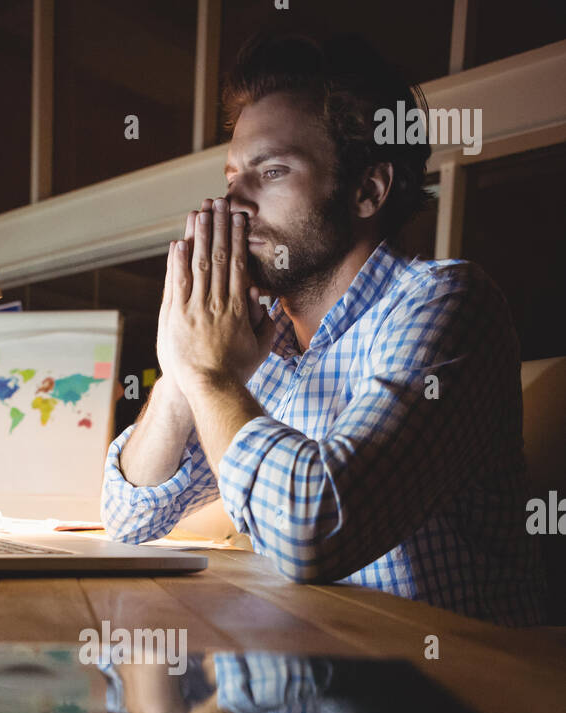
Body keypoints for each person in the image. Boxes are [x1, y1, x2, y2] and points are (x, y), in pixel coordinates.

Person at [101, 33, 546, 626]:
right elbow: (129, 518)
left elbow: (314, 529)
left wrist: (208, 374)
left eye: (273, 170)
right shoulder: (266, 343)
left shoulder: (445, 305)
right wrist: (185, 364)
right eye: (233, 176)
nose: (232, 200)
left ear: (367, 189)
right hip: (300, 691)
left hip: (437, 704)